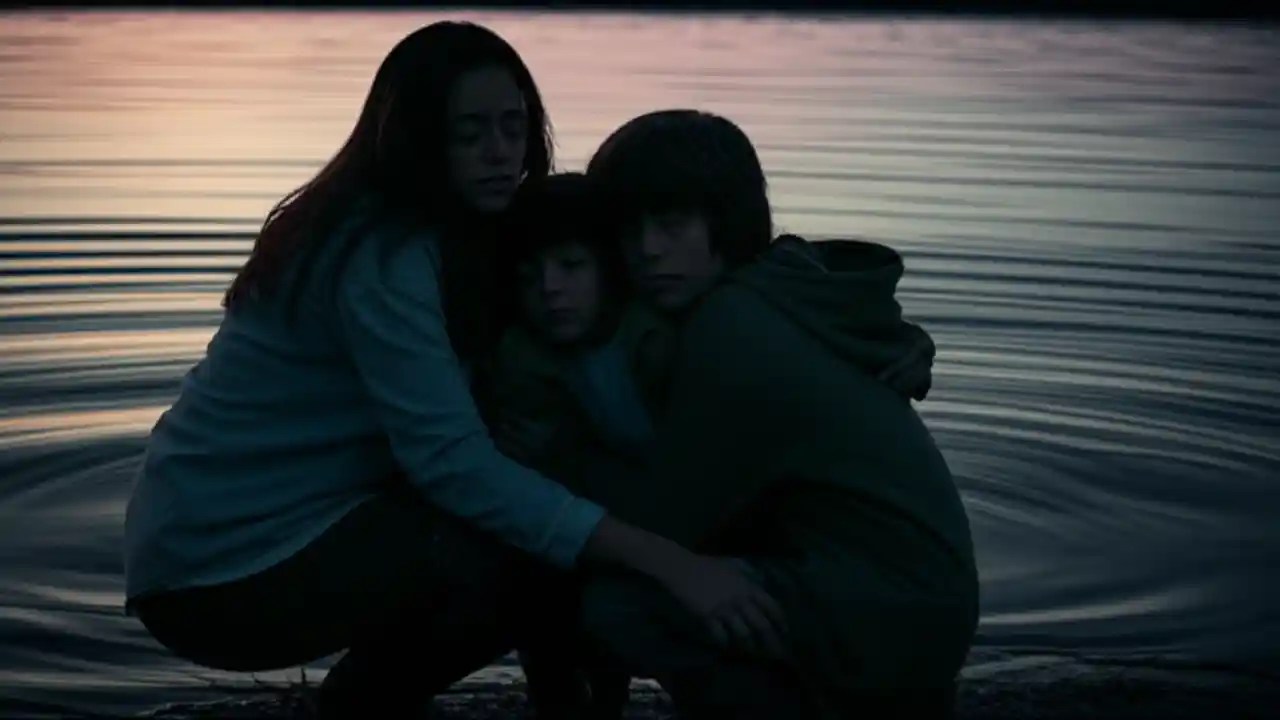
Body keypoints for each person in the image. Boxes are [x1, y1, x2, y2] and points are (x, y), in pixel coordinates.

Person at [120, 27, 788, 720]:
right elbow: (453, 466)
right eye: (469, 133)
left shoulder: (468, 233)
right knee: (521, 548)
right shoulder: (379, 254)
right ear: (416, 141)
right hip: (219, 566)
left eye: (513, 128)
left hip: (287, 526)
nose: (500, 153)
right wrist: (673, 563)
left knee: (541, 518)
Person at [576, 109, 979, 719]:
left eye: (672, 224)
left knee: (617, 599)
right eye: (629, 230)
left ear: (727, 221)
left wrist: (549, 472)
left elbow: (667, 523)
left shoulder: (728, 325)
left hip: (890, 611)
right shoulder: (788, 288)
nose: (648, 250)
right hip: (927, 600)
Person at [487, 171, 671, 718]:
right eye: (529, 277)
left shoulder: (654, 339)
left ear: (608, 268)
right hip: (577, 536)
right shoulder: (520, 353)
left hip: (669, 526)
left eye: (571, 267)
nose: (549, 288)